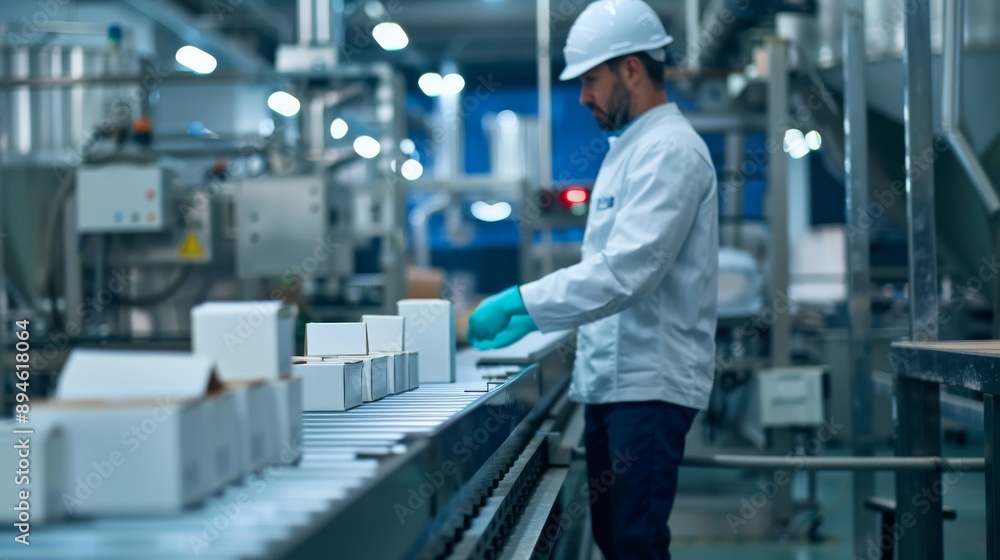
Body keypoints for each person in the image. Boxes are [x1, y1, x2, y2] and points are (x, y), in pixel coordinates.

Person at [466, 0, 718, 558]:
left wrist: (523, 301)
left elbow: (626, 273)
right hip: (614, 384)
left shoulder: (669, 151)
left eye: (590, 80)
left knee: (634, 544)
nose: (582, 97)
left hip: (648, 385)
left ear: (632, 68)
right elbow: (606, 273)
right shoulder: (628, 151)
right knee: (614, 539)